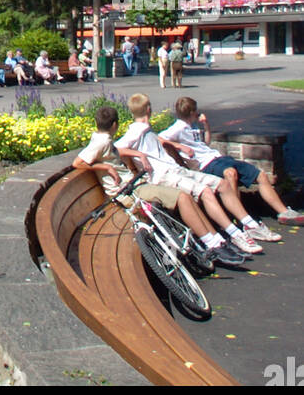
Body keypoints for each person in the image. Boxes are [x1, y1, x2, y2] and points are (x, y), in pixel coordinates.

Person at [72, 105, 248, 268]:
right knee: (182, 197)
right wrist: (106, 167)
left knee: (186, 196)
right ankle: (212, 244)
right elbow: (77, 162)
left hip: (134, 186)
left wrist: (136, 154)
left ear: (97, 123)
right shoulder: (101, 142)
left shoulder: (104, 139)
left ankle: (215, 241)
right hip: (129, 191)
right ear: (115, 125)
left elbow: (115, 151)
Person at [115, 93, 262, 256]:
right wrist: (140, 156)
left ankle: (247, 224)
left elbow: (160, 139)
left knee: (223, 184)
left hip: (177, 170)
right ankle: (235, 234)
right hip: (164, 176)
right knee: (205, 191)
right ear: (149, 109)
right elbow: (117, 148)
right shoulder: (136, 131)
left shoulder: (146, 129)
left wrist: (177, 146)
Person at [160, 97, 304, 231]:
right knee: (231, 173)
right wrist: (180, 147)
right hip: (206, 164)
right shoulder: (178, 127)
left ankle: (284, 212)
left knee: (260, 175)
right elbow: (159, 138)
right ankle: (241, 220)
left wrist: (206, 126)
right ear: (192, 112)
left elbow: (206, 144)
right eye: (196, 111)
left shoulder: (193, 126)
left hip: (218, 157)